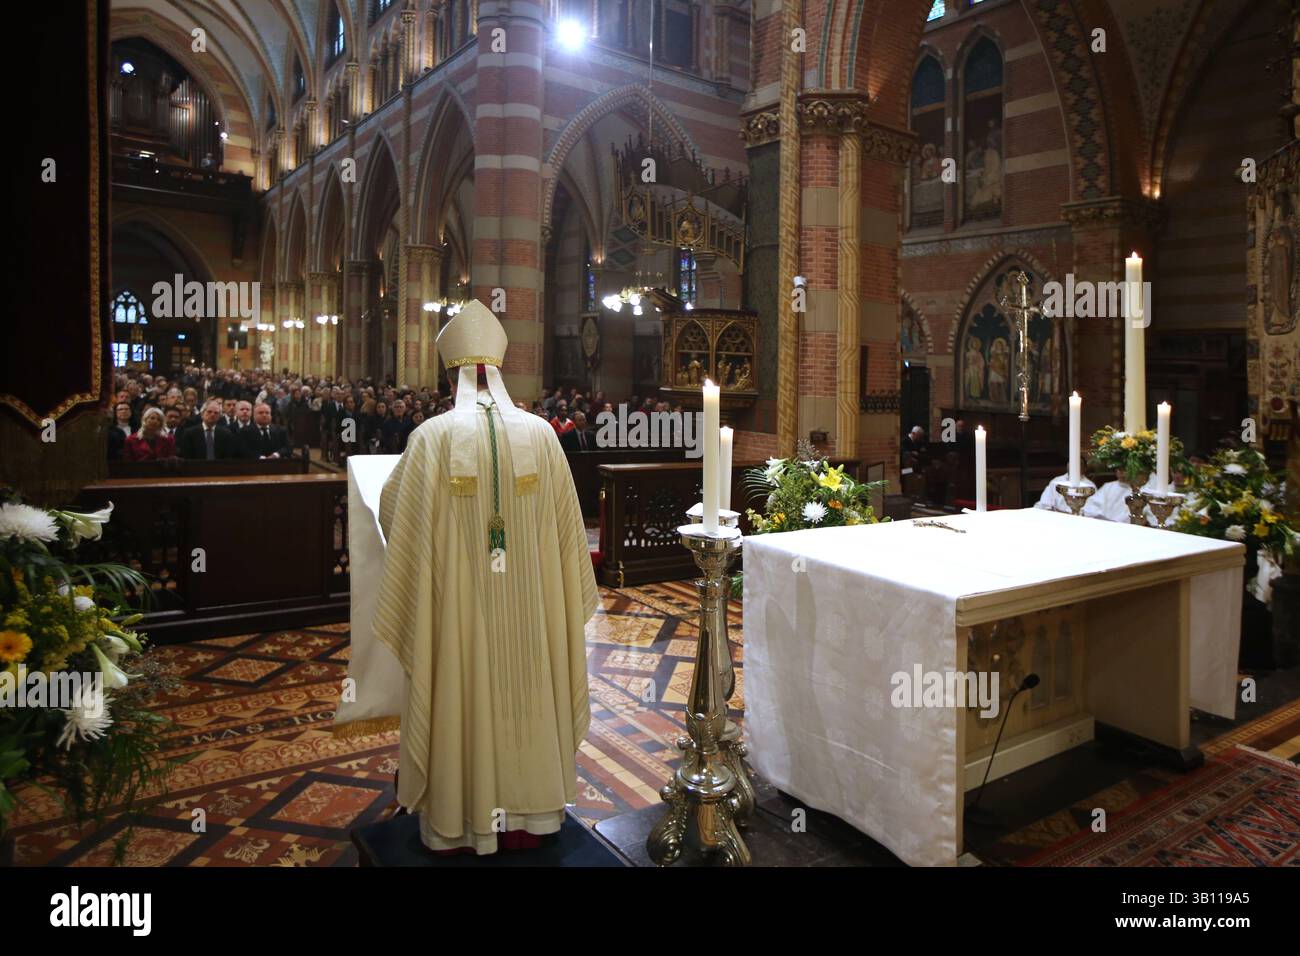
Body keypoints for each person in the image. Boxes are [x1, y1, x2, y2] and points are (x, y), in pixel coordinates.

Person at [336, 299, 596, 855]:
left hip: (458, 610)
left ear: (452, 370)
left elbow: (392, 511)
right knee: (530, 688)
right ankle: (531, 816)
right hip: (531, 610)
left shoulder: (431, 438)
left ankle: (460, 817)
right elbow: (571, 533)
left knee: (456, 685)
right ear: (499, 368)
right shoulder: (544, 435)